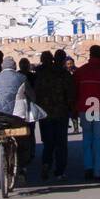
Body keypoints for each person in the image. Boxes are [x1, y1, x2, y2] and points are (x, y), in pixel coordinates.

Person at [74, 45, 100, 181]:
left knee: (87, 137)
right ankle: (99, 171)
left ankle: (88, 167)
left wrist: (74, 108)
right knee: (99, 139)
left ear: (90, 54)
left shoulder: (81, 71)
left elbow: (74, 91)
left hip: (85, 108)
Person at [33, 50, 77, 181]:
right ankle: (59, 171)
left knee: (48, 143)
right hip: (61, 113)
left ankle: (46, 164)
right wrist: (71, 108)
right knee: (61, 144)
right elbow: (70, 94)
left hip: (45, 114)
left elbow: (36, 93)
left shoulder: (40, 75)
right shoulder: (64, 74)